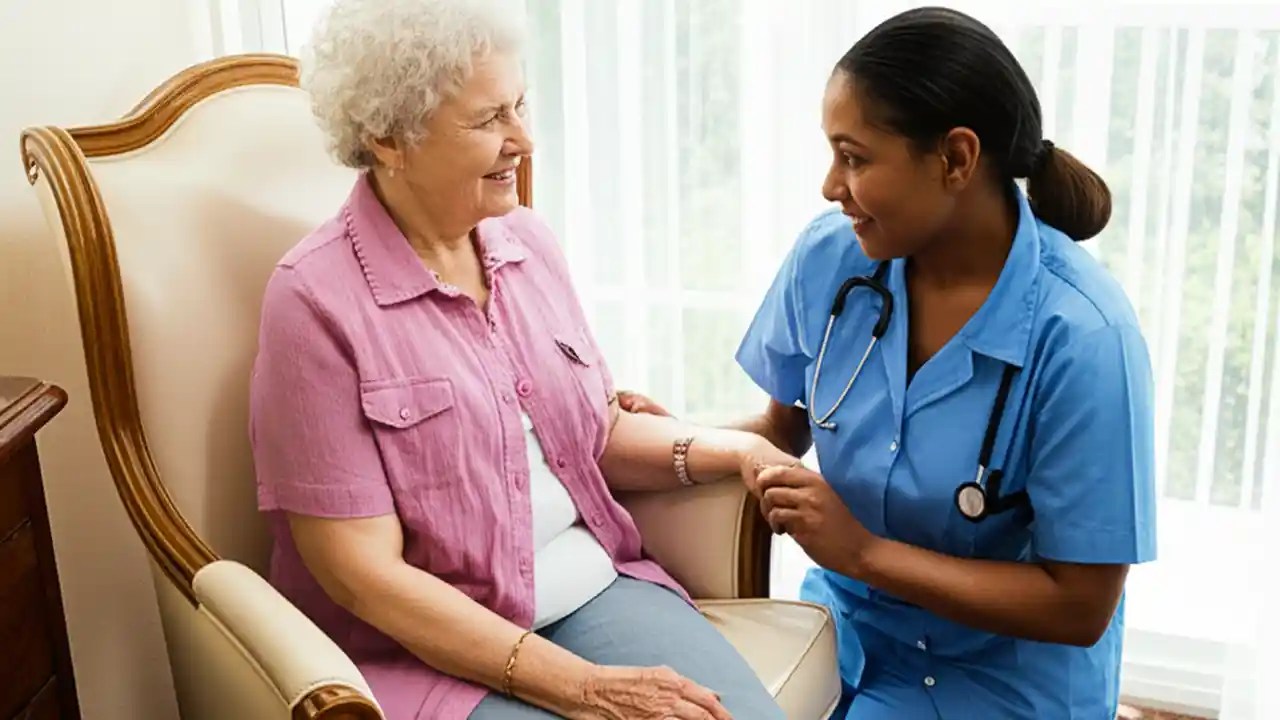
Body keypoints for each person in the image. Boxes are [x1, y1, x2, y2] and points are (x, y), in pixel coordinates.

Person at [248, 1, 794, 718]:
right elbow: (364, 578)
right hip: (418, 652)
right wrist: (583, 689)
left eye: (520, 106)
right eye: (487, 120)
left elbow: (594, 435)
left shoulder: (525, 244)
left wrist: (733, 450)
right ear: (389, 136)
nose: (525, 140)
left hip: (592, 593)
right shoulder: (313, 302)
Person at [729, 7, 1157, 719]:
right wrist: (675, 442)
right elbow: (785, 427)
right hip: (848, 637)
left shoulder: (1085, 337)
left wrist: (863, 553)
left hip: (1000, 677)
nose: (831, 186)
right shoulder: (831, 259)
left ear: (956, 159)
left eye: (855, 157)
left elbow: (1080, 606)